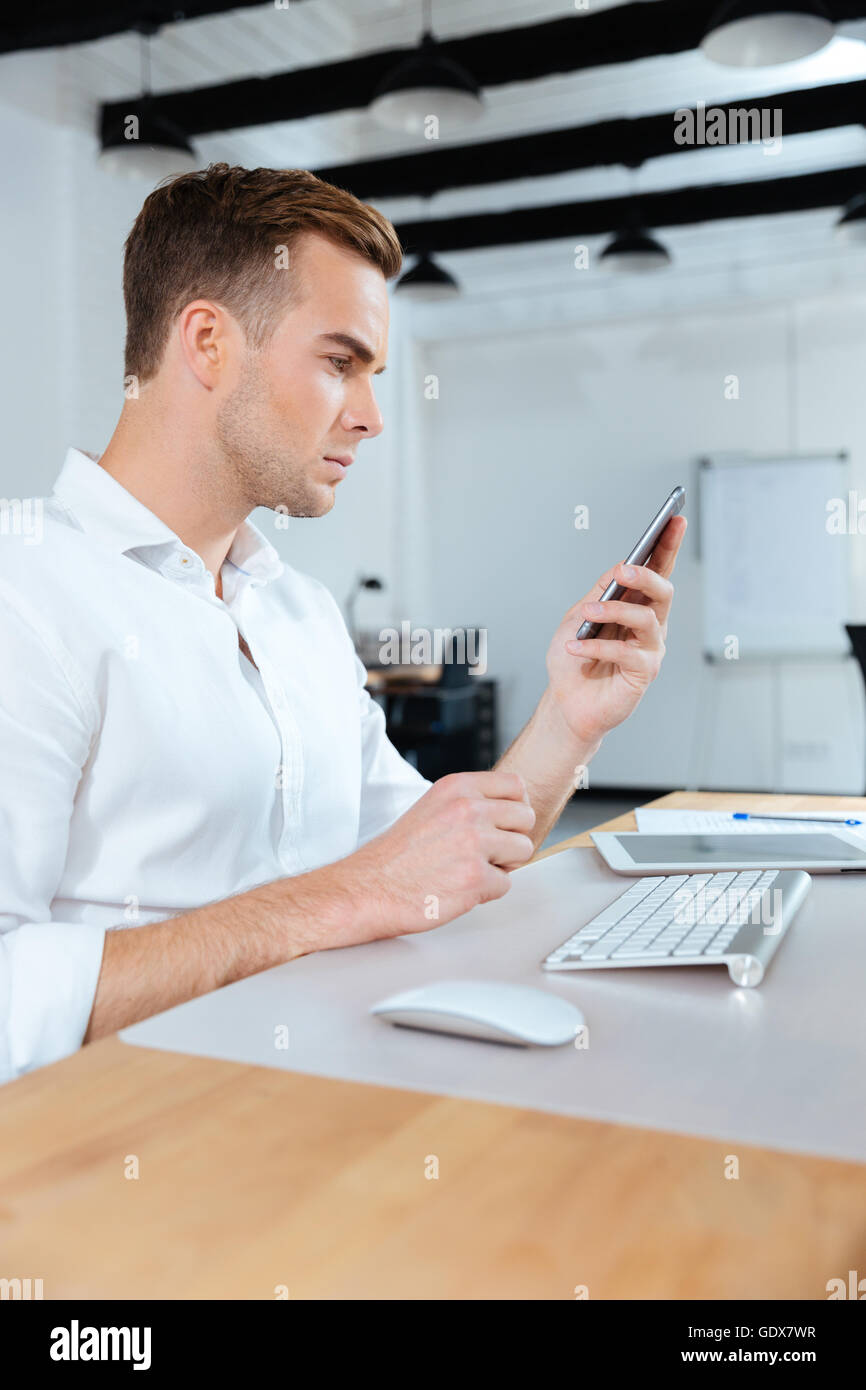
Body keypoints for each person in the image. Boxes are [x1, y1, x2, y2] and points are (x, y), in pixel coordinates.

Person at [0, 164, 686, 1083]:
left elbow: (430, 852)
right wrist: (341, 898)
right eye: (339, 362)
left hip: (333, 1089)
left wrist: (569, 721)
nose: (368, 417)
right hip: (132, 1152)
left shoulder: (296, 612)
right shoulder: (26, 589)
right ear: (208, 343)